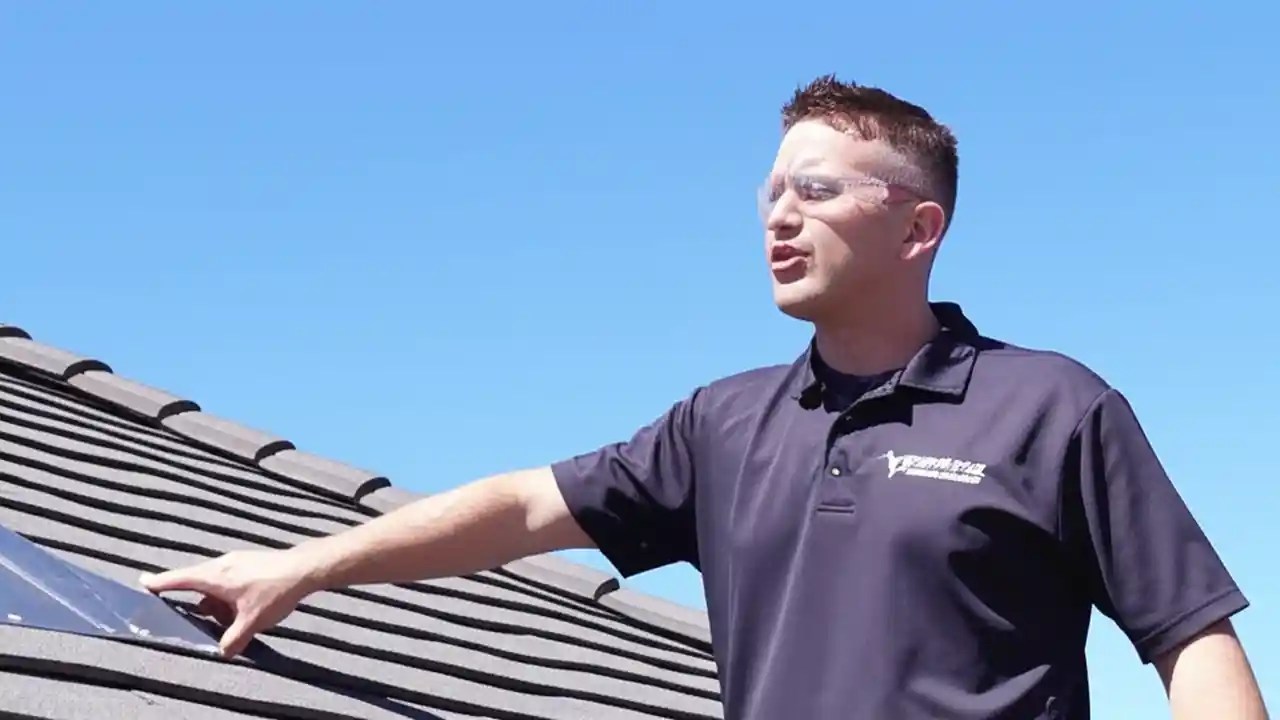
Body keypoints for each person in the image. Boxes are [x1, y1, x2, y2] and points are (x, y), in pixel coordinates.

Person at [141, 75, 1269, 719]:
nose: (777, 216)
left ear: (918, 227)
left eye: (815, 191)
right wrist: (305, 565)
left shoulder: (1051, 407)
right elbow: (520, 510)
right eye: (768, 192)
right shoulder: (720, 426)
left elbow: (1189, 643)